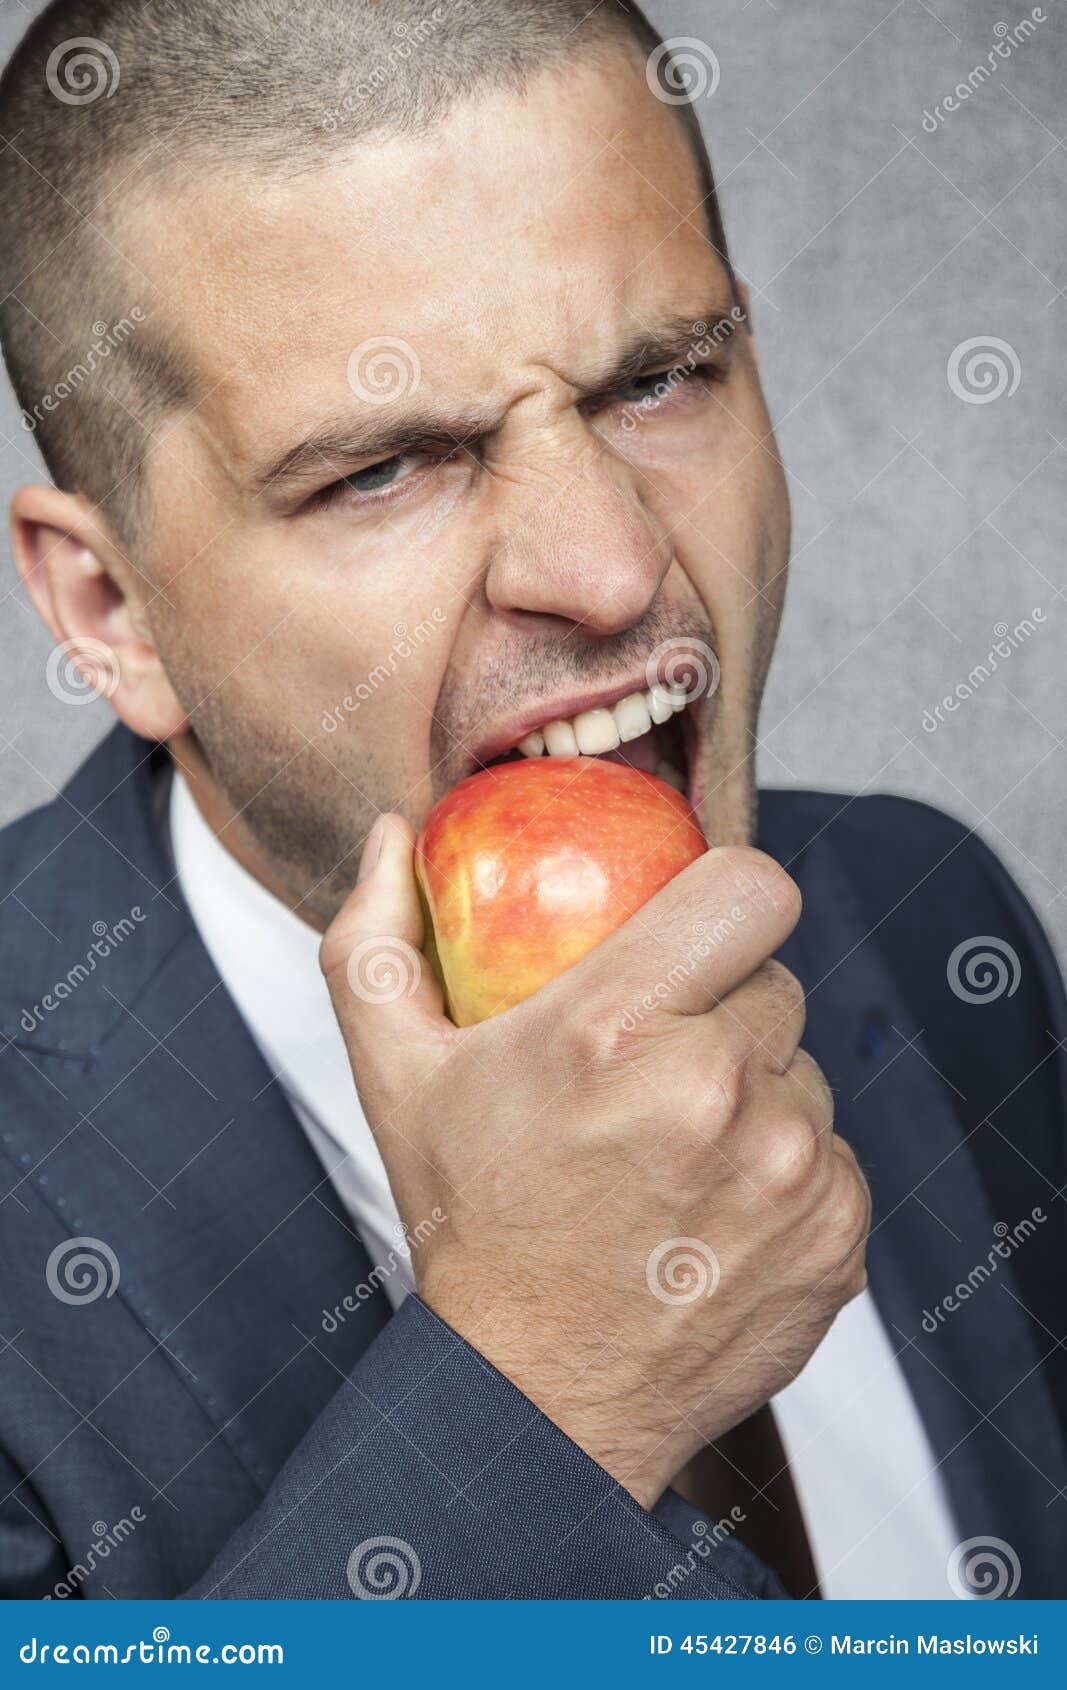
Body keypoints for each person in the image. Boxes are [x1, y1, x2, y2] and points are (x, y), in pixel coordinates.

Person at [0, 0, 1063, 1602]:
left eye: (659, 377)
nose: (613, 565)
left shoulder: (929, 916)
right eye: (383, 469)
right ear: (112, 613)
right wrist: (542, 1393)